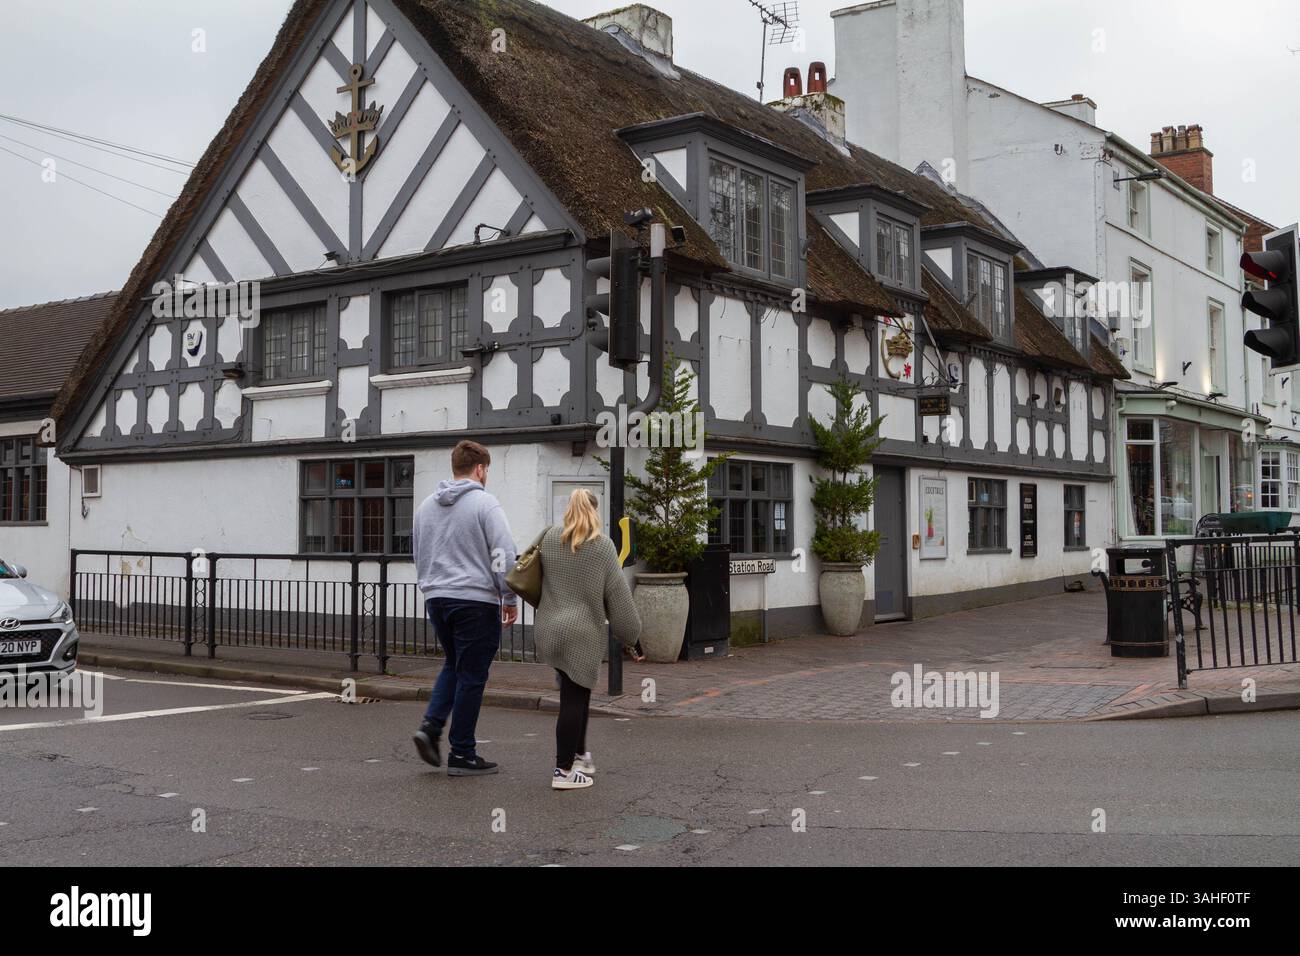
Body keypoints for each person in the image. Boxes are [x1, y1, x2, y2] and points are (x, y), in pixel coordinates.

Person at [411, 440, 518, 776]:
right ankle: (463, 754)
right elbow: (505, 553)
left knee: (455, 664)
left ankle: (430, 727)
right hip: (475, 600)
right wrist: (509, 597)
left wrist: (431, 586)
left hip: (436, 597)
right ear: (480, 469)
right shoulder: (485, 503)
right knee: (472, 676)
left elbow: (419, 551)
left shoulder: (426, 505)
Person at [533, 490, 641, 790]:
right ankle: (563, 771)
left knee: (577, 691)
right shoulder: (603, 546)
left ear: (568, 510)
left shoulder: (549, 538)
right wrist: (632, 637)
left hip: (550, 630)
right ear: (595, 513)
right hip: (581, 635)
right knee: (572, 698)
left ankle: (580, 756)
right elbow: (619, 600)